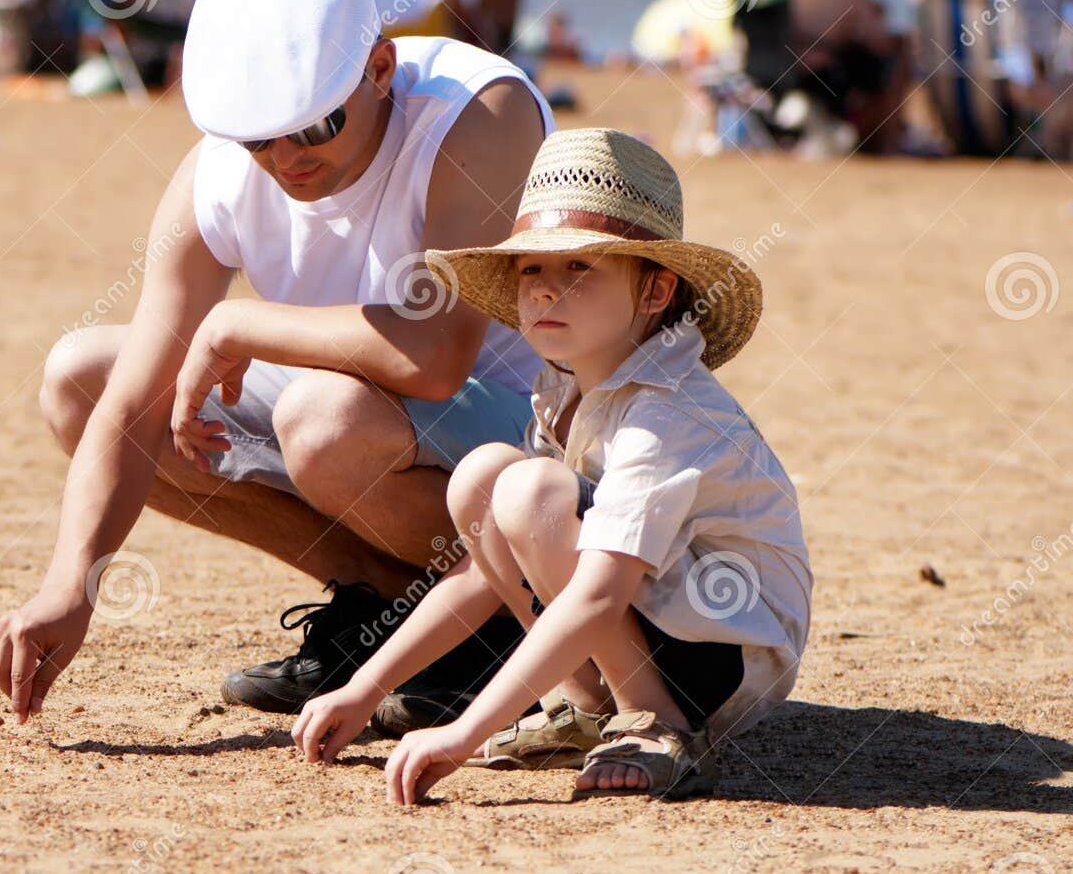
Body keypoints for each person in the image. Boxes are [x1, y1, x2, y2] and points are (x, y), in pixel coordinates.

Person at [0, 0, 556, 733]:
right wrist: (68, 585)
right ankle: (381, 608)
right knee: (78, 380)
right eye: (258, 136)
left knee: (323, 422)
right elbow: (130, 401)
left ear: (380, 69)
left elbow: (433, 356)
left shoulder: (478, 114)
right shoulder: (221, 168)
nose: (285, 157)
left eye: (314, 125)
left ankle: (501, 628)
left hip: (543, 458)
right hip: (381, 427)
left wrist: (240, 323)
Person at [292, 128, 812, 804]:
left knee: (531, 491)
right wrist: (367, 684)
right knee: (488, 476)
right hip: (662, 615)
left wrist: (464, 730)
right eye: (531, 270)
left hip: (726, 652)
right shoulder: (564, 385)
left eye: (579, 270)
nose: (544, 292)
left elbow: (598, 591)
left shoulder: (666, 411)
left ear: (656, 292)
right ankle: (590, 707)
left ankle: (659, 724)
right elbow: (485, 566)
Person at [789, 0, 906, 152]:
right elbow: (879, 42)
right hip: (826, 72)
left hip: (786, 68)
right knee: (895, 61)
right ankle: (888, 140)